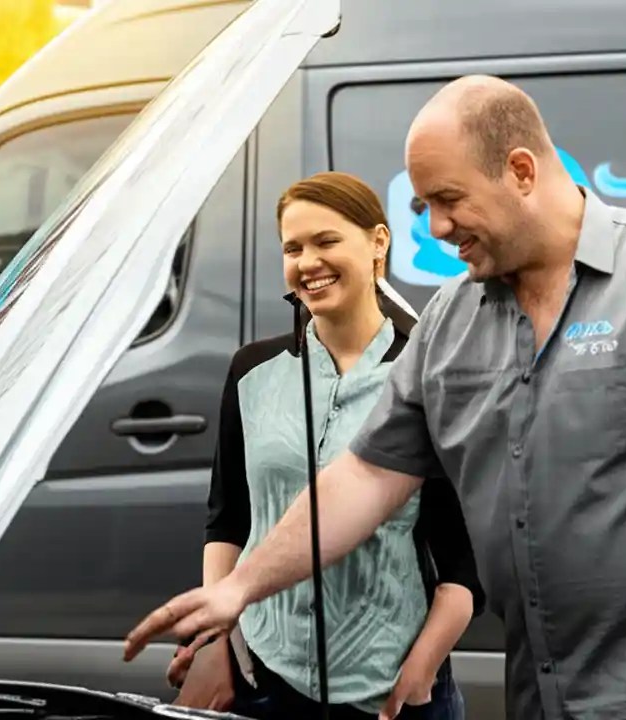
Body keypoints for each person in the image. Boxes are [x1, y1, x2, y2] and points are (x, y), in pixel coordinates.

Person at [126, 76, 626, 720]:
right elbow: (368, 475)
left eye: (448, 200)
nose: (433, 227)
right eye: (423, 206)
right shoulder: (451, 320)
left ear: (521, 171)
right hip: (543, 692)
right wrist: (239, 589)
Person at [165, 171, 484, 719]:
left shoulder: (430, 370)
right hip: (262, 679)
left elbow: (463, 559)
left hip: (389, 690)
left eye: (327, 241)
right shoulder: (251, 372)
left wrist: (422, 669)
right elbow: (229, 522)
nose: (308, 261)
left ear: (378, 242)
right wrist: (217, 644)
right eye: (293, 248)